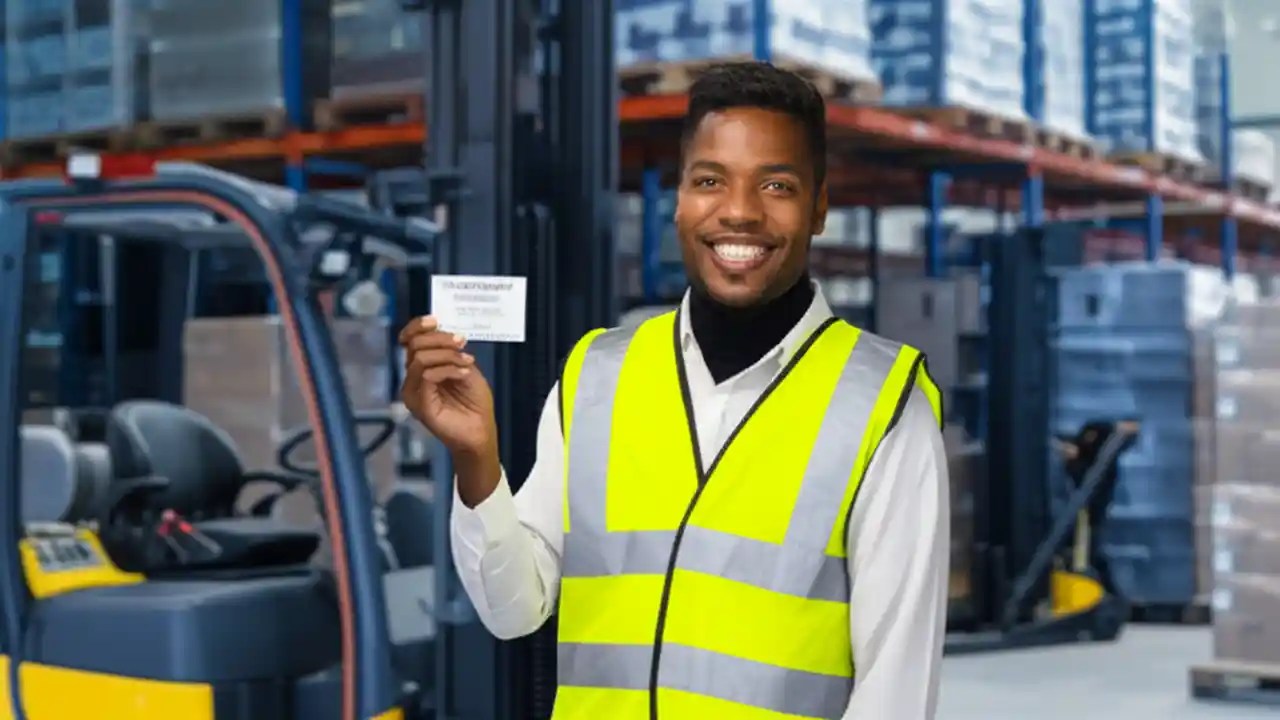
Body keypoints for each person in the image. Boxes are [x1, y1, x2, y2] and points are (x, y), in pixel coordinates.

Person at [399, 61, 950, 720]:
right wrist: (478, 462)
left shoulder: (885, 408)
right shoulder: (597, 374)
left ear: (819, 207)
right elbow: (515, 609)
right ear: (679, 199)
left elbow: (895, 696)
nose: (739, 212)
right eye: (710, 181)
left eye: (776, 185)